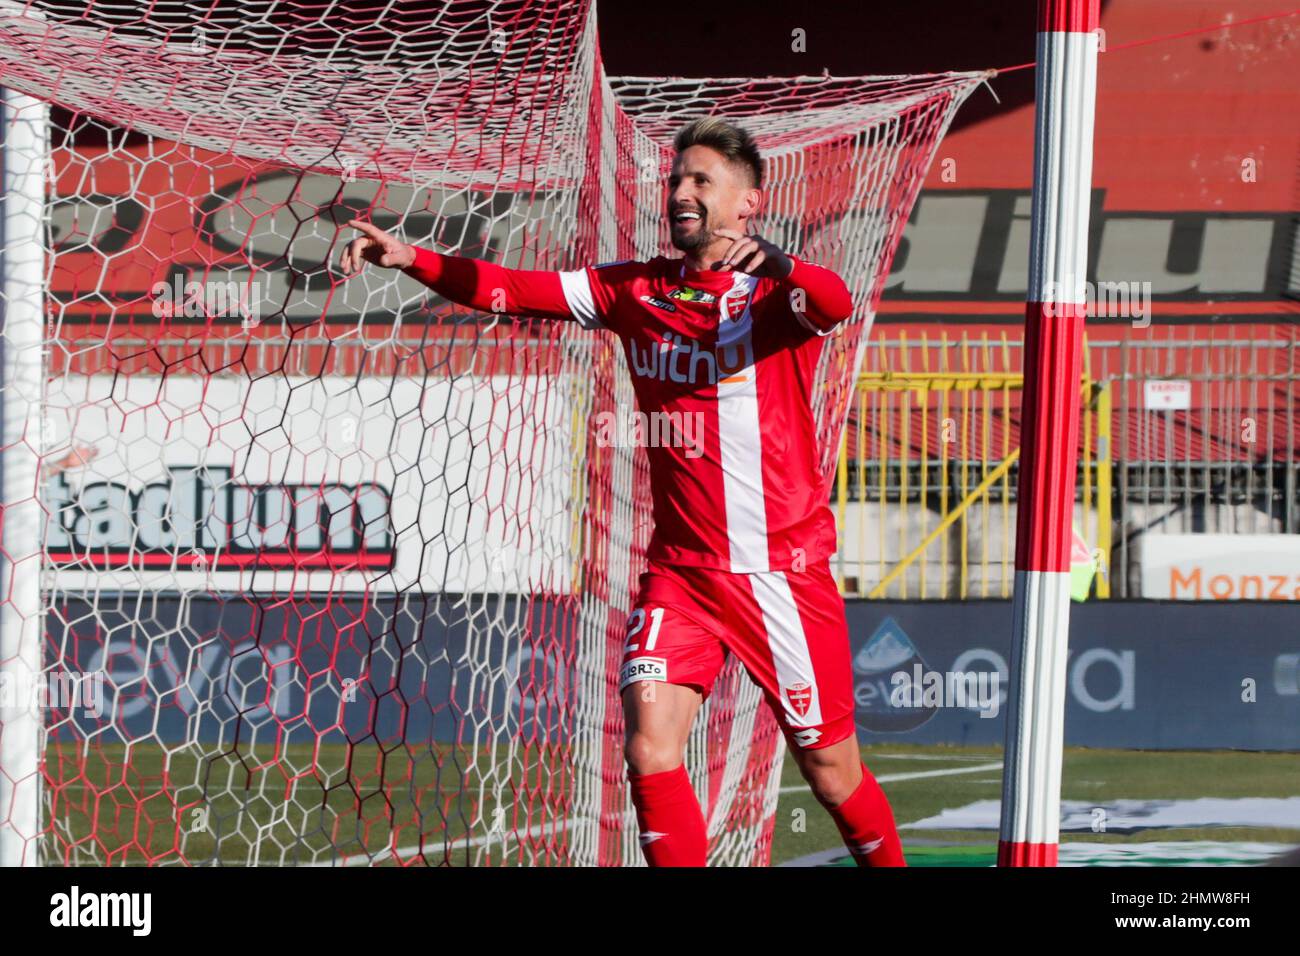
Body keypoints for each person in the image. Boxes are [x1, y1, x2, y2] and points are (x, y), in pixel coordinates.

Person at [339, 117, 904, 867]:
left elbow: (834, 302)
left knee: (832, 773)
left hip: (781, 572)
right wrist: (411, 257)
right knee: (648, 743)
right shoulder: (633, 290)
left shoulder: (774, 298)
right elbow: (511, 289)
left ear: (747, 205)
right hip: (683, 574)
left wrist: (781, 265)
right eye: (676, 179)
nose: (681, 191)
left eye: (702, 179)